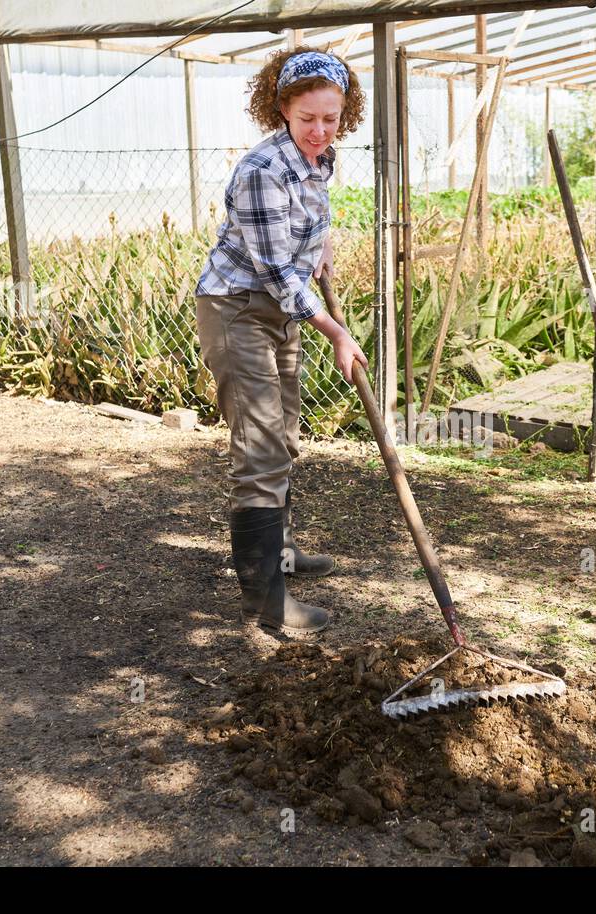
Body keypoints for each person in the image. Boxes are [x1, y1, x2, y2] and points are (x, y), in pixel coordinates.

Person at [195, 47, 367, 637]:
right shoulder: (262, 169)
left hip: (276, 309)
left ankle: (284, 557)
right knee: (261, 447)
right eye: (307, 119)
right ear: (281, 111)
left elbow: (309, 220)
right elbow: (274, 272)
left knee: (283, 435)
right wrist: (337, 331)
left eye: (331, 117)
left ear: (345, 113)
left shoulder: (320, 159)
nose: (320, 130)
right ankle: (265, 601)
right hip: (239, 309)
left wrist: (319, 243)